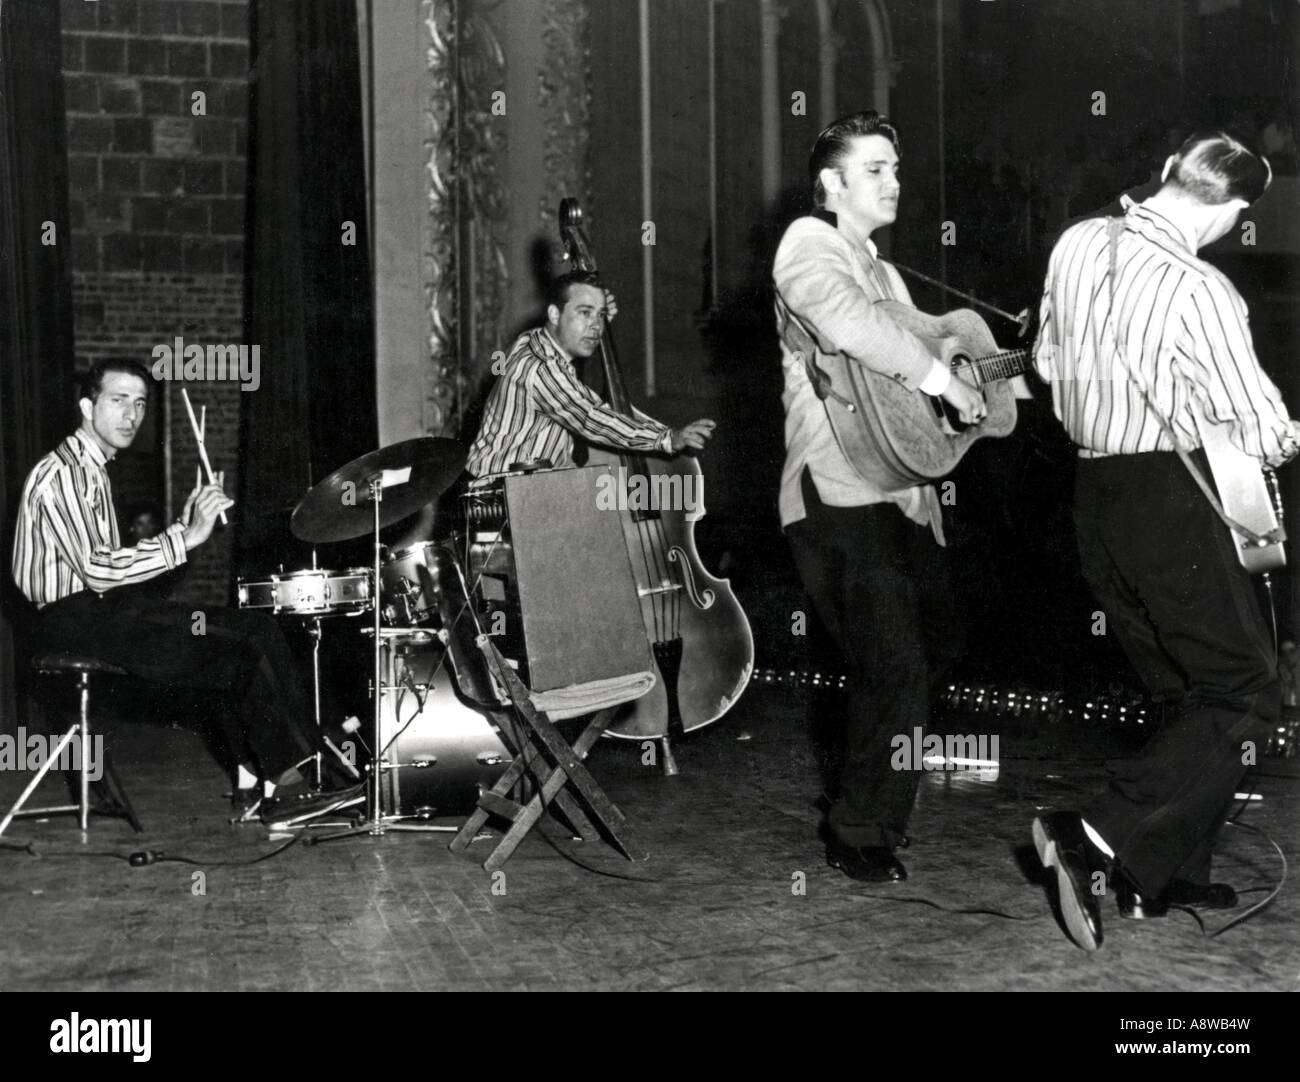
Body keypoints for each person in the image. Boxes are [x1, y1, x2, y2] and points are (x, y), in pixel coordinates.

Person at [1031, 130, 1300, 950]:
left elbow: (1046, 361)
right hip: (1171, 497)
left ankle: (1161, 873)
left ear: (1166, 175)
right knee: (1243, 692)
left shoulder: (1076, 243)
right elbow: (1259, 428)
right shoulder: (1201, 287)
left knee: (1184, 692)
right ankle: (1095, 835)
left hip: (1095, 495)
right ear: (1230, 208)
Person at [772, 110, 988, 882]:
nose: (893, 182)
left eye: (896, 168)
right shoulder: (808, 244)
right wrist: (938, 378)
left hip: (899, 496)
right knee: (892, 658)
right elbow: (846, 321)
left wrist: (1020, 368)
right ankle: (860, 828)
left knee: (930, 651)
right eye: (875, 169)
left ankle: (865, 799)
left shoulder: (891, 276)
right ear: (832, 183)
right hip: (835, 491)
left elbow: (940, 363)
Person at [11, 360, 331, 815]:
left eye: (139, 404)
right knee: (254, 634)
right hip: (75, 619)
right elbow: (99, 570)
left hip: (94, 611)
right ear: (87, 406)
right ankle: (304, 775)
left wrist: (183, 525)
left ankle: (254, 780)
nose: (132, 415)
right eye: (118, 400)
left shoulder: (91, 466)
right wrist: (184, 537)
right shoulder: (65, 473)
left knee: (229, 652)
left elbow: (105, 565)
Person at [466, 270, 715, 478]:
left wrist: (592, 315)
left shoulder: (532, 341)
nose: (596, 326)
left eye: (600, 315)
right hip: (501, 500)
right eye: (585, 313)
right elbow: (590, 416)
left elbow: (571, 384)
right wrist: (668, 438)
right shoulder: (541, 368)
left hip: (526, 491)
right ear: (554, 314)